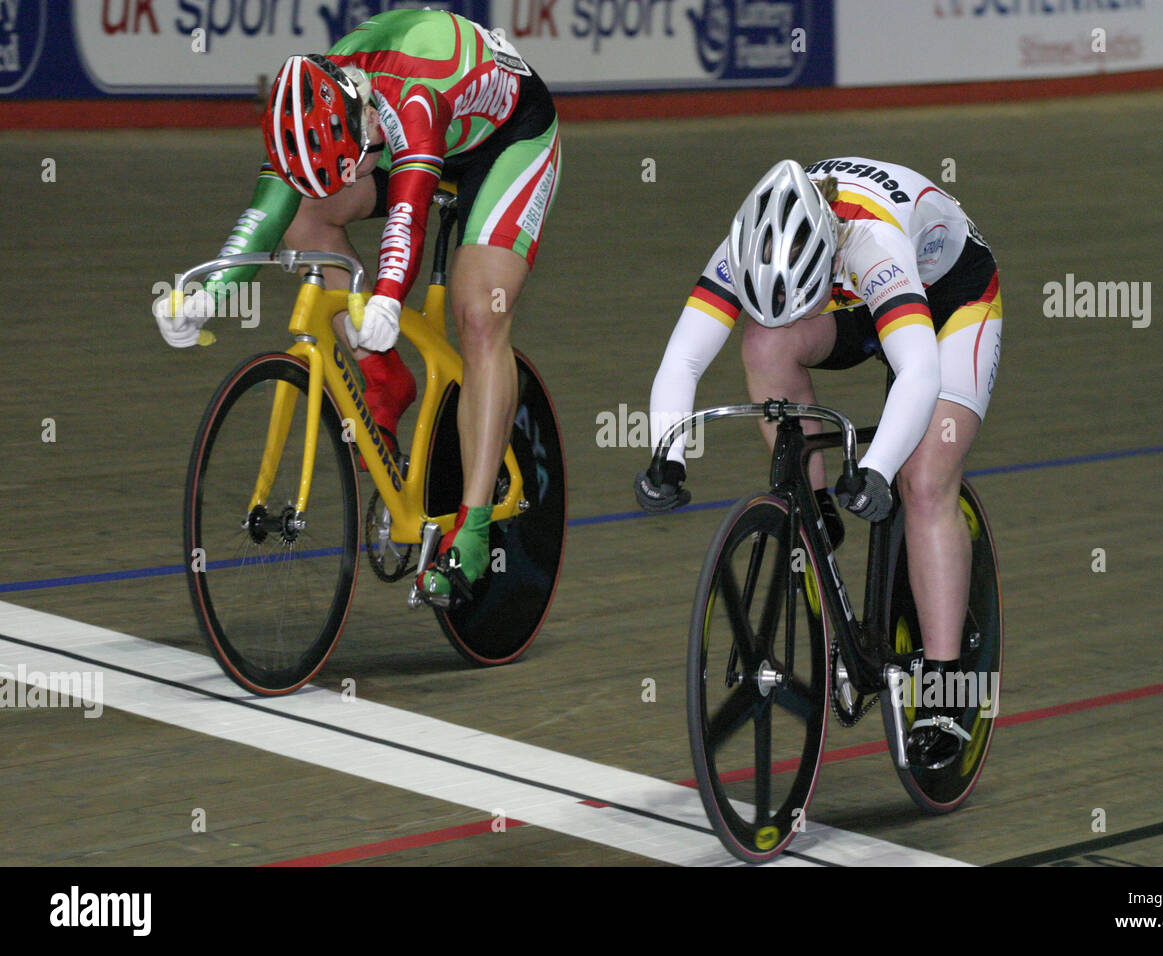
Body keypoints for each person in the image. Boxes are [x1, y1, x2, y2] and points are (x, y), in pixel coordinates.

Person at [154, 9, 562, 604]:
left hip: (509, 138)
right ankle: (383, 376)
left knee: (480, 313)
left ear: (365, 118)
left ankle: (472, 534)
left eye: (348, 162)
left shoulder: (409, 96)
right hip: (405, 135)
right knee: (303, 213)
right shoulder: (314, 106)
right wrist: (206, 295)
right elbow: (267, 214)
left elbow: (408, 214)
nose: (345, 176)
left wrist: (389, 300)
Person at [636, 157, 1002, 768]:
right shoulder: (746, 238)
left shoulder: (869, 238)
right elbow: (683, 359)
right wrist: (666, 455)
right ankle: (816, 511)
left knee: (924, 479)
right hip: (852, 301)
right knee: (764, 341)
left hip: (949, 301)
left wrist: (879, 468)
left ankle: (944, 688)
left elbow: (918, 369)